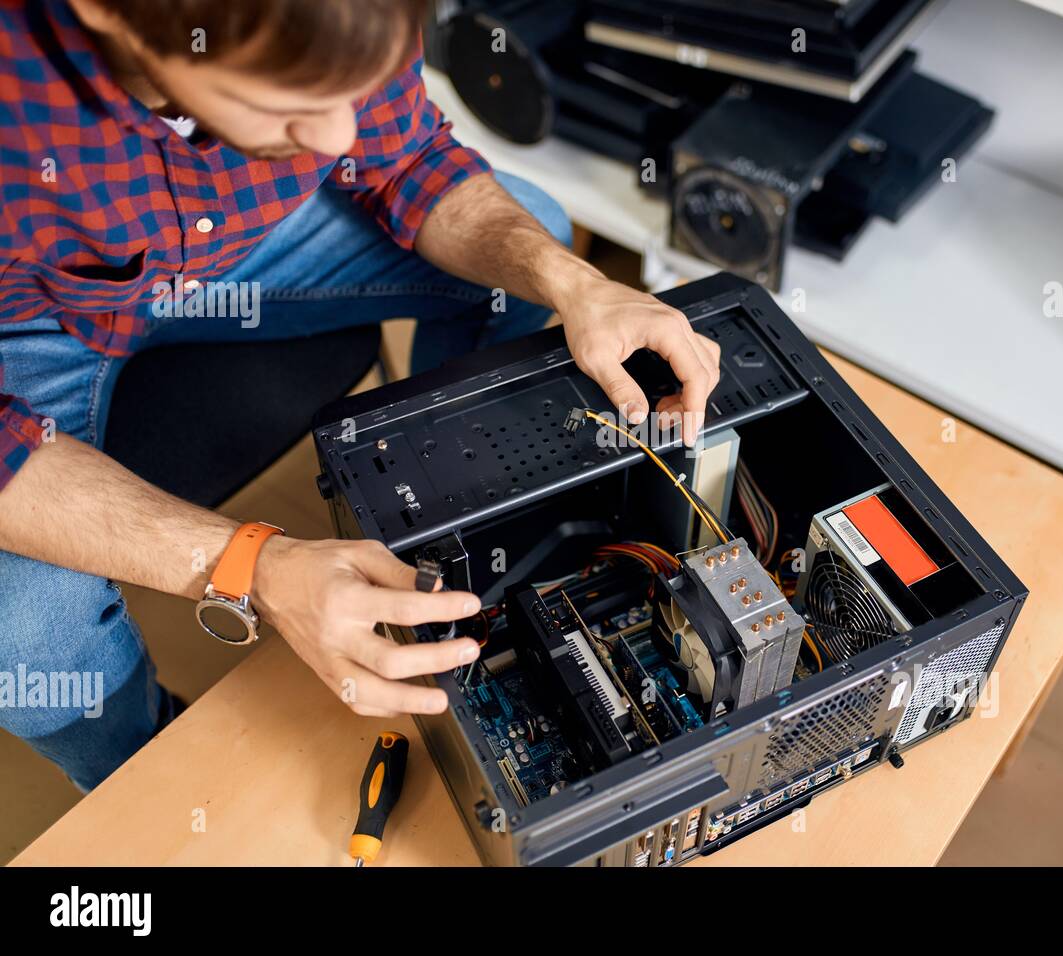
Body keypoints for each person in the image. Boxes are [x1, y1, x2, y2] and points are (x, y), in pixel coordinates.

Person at [0, 0, 722, 791]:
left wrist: (577, 284)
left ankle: (436, 537)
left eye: (348, 94)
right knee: (25, 637)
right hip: (25, 317)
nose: (337, 136)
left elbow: (406, 159)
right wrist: (252, 565)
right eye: (288, 100)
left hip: (242, 244)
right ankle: (145, 780)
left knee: (535, 240)